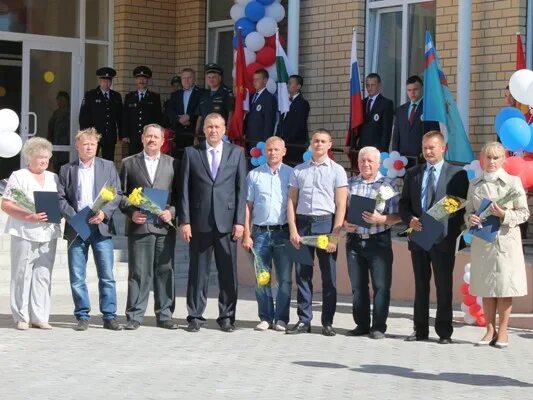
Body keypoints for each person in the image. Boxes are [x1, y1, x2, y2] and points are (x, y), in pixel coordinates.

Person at [178, 112, 247, 333]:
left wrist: (240, 221)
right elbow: (184, 190)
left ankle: (227, 317)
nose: (213, 130)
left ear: (224, 129)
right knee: (198, 271)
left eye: (217, 127)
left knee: (227, 271)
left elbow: (241, 190)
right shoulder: (191, 153)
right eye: (209, 127)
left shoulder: (237, 153)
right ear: (204, 129)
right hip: (199, 222)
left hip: (227, 223)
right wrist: (185, 220)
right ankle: (195, 316)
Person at [399, 131, 469, 344]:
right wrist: (409, 218)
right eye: (425, 148)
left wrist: (433, 217)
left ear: (443, 148)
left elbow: (459, 201)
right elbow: (404, 204)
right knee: (421, 285)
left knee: (443, 286)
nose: (428, 151)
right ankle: (420, 330)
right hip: (419, 235)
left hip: (442, 238)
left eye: (432, 147)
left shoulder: (457, 173)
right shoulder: (413, 173)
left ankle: (444, 332)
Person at [57, 128, 122, 331]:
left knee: (107, 275)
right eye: (85, 143)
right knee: (77, 275)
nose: (89, 147)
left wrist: (104, 213)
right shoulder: (67, 169)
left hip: (100, 227)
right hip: (77, 227)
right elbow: (60, 198)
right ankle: (82, 315)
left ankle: (109, 316)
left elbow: (117, 193)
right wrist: (73, 217)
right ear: (77, 146)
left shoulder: (108, 166)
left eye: (93, 144)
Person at [465, 142, 529, 348]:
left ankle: (503, 332)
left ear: (503, 160)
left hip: (505, 242)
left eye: (495, 158)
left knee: (503, 287)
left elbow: (524, 213)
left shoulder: (512, 182)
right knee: (486, 287)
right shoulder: (475, 183)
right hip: (483, 241)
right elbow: (467, 211)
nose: (491, 162)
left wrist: (504, 214)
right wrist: (470, 220)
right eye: (488, 158)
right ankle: (489, 330)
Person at [286, 129, 348, 336]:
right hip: (303, 225)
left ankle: (327, 322)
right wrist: (293, 230)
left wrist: (335, 235)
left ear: (330, 145)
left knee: (328, 275)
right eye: (315, 141)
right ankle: (304, 320)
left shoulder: (337, 170)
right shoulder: (299, 170)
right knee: (303, 275)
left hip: (324, 224)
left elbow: (340, 205)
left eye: (323, 141)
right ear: (311, 144)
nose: (319, 144)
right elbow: (291, 201)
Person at [119, 124, 179, 330]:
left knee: (165, 270)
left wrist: (171, 212)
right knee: (138, 272)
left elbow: (179, 197)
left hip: (163, 226)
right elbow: (120, 195)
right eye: (149, 136)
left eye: (156, 137)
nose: (152, 140)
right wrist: (130, 212)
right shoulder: (128, 163)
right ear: (142, 138)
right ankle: (134, 315)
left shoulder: (173, 164)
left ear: (163, 141)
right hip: (140, 225)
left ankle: (164, 315)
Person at [1, 137, 61, 330]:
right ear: (29, 157)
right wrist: (29, 216)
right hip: (24, 231)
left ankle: (40, 316)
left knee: (43, 274)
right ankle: (21, 316)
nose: (44, 160)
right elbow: (7, 204)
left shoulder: (53, 177)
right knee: (22, 274)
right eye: (40, 157)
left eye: (46, 157)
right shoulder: (19, 176)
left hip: (48, 233)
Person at [343, 146, 401, 339]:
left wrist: (382, 219)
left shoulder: (388, 185)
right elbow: (341, 212)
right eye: (362, 161)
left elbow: (398, 215)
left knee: (381, 286)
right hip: (354, 241)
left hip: (379, 242)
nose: (366, 164)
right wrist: (344, 224)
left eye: (370, 161)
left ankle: (378, 327)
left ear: (378, 163)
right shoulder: (349, 184)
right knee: (358, 286)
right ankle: (361, 325)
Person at [242, 136, 294, 332]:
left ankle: (281, 318)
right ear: (265, 152)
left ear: (284, 151)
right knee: (262, 277)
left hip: (283, 232)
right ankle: (265, 316)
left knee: (285, 279)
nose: (272, 153)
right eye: (269, 149)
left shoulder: (292, 174)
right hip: (260, 233)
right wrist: (247, 234)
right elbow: (247, 207)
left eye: (276, 149)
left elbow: (295, 204)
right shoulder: (254, 175)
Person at [391, 76, 439, 167]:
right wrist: (395, 155)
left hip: (421, 158)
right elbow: (396, 136)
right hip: (403, 159)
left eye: (415, 89)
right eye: (409, 90)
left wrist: (428, 153)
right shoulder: (401, 110)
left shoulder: (430, 108)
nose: (412, 93)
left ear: (422, 89)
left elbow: (434, 134)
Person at [79, 67, 123, 161]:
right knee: (90, 159)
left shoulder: (116, 96)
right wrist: (85, 134)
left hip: (110, 136)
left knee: (108, 162)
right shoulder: (91, 95)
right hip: (93, 135)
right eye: (104, 80)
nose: (106, 83)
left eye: (108, 81)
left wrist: (122, 134)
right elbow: (84, 116)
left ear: (111, 82)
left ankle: (106, 176)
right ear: (100, 81)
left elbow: (120, 117)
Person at [344, 73, 394, 155]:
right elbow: (356, 126)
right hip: (361, 148)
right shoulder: (361, 104)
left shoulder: (386, 103)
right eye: (368, 85)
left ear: (379, 85)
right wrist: (351, 144)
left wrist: (383, 151)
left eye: (373, 85)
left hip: (377, 150)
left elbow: (386, 131)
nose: (370, 88)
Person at [122, 66, 163, 156]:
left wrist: (157, 135)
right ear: (136, 80)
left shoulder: (154, 97)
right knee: (133, 160)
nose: (142, 81)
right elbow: (125, 116)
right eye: (139, 78)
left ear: (147, 80)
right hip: (133, 136)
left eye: (144, 79)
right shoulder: (129, 97)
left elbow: (158, 118)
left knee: (148, 158)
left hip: (149, 136)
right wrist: (125, 134)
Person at [164, 68, 205, 158]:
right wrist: (179, 119)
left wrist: (189, 117)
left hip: (194, 132)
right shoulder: (175, 94)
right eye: (184, 78)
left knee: (194, 160)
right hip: (178, 132)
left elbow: (202, 110)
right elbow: (169, 110)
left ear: (194, 79)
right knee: (178, 160)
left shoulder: (202, 93)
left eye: (189, 78)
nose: (186, 80)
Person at [277, 74, 310, 166]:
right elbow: (281, 122)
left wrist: (287, 140)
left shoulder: (302, 103)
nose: (288, 85)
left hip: (294, 145)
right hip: (283, 144)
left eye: (291, 83)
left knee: (292, 170)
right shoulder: (286, 101)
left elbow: (299, 125)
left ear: (298, 86)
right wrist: (277, 138)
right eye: (288, 83)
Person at [195, 63, 234, 140]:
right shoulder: (204, 94)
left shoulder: (226, 93)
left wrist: (226, 133)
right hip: (203, 136)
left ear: (220, 78)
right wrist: (196, 136)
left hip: (218, 135)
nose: (211, 80)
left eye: (214, 77)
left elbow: (230, 114)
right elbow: (200, 117)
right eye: (209, 77)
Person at [244, 68, 277, 147]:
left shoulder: (269, 98)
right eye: (254, 79)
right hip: (249, 139)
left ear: (265, 81)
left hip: (260, 140)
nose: (254, 82)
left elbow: (269, 121)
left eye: (257, 79)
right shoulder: (252, 97)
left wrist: (266, 141)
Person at [47, 91, 71, 172]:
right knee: (57, 168)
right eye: (58, 100)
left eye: (61, 100)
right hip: (57, 145)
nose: (59, 102)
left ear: (67, 100)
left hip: (67, 146)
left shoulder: (71, 113)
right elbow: (51, 129)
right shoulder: (56, 113)